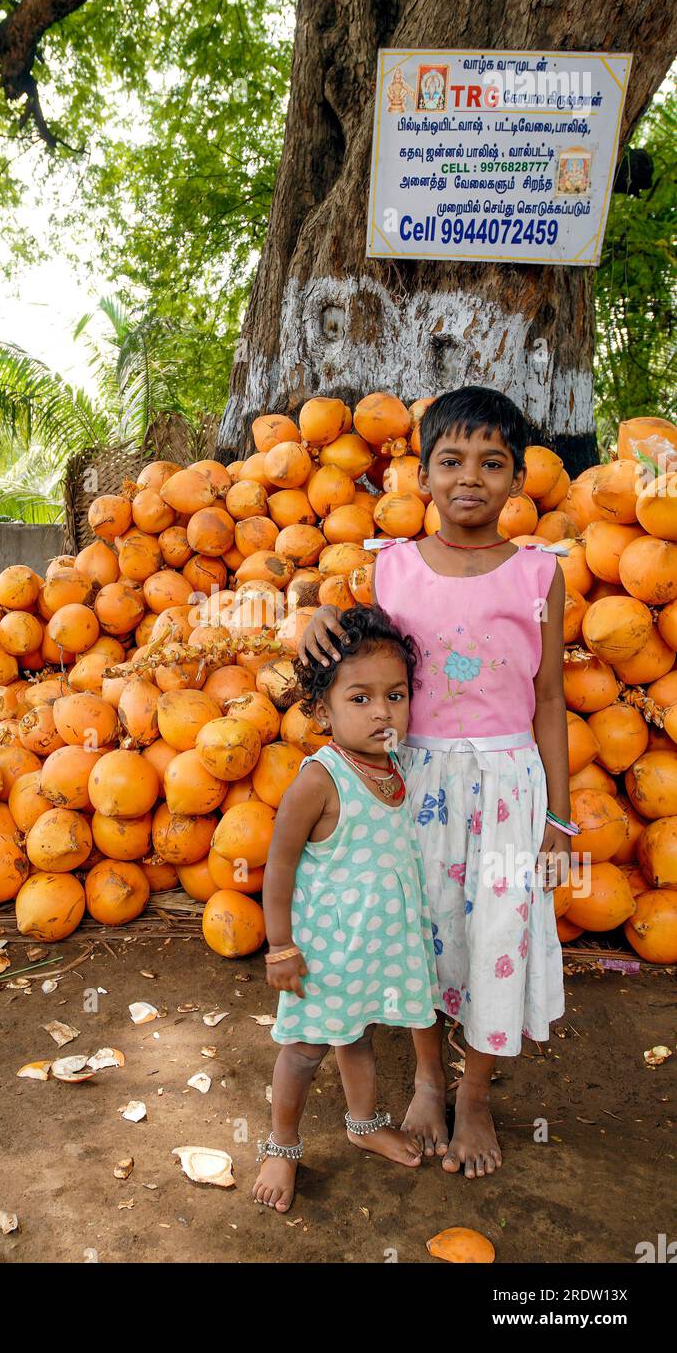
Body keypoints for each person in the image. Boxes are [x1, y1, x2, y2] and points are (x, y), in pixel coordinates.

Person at [299, 386, 570, 1180]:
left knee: (494, 937)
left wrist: (557, 817)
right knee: (419, 932)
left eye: (492, 464)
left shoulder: (538, 575)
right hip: (411, 782)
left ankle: (476, 1090)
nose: (470, 479)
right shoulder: (391, 569)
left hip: (508, 787)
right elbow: (350, 647)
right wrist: (315, 616)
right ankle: (425, 1077)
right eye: (450, 461)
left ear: (519, 480)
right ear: (420, 478)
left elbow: (550, 699)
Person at [253, 604, 440, 1213]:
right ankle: (282, 1145)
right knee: (306, 1050)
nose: (383, 712)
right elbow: (278, 867)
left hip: (371, 948)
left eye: (396, 695)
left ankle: (363, 1125)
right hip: (323, 955)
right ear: (321, 710)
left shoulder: (396, 768)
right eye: (360, 699)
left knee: (356, 1036)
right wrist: (279, 946)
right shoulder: (321, 778)